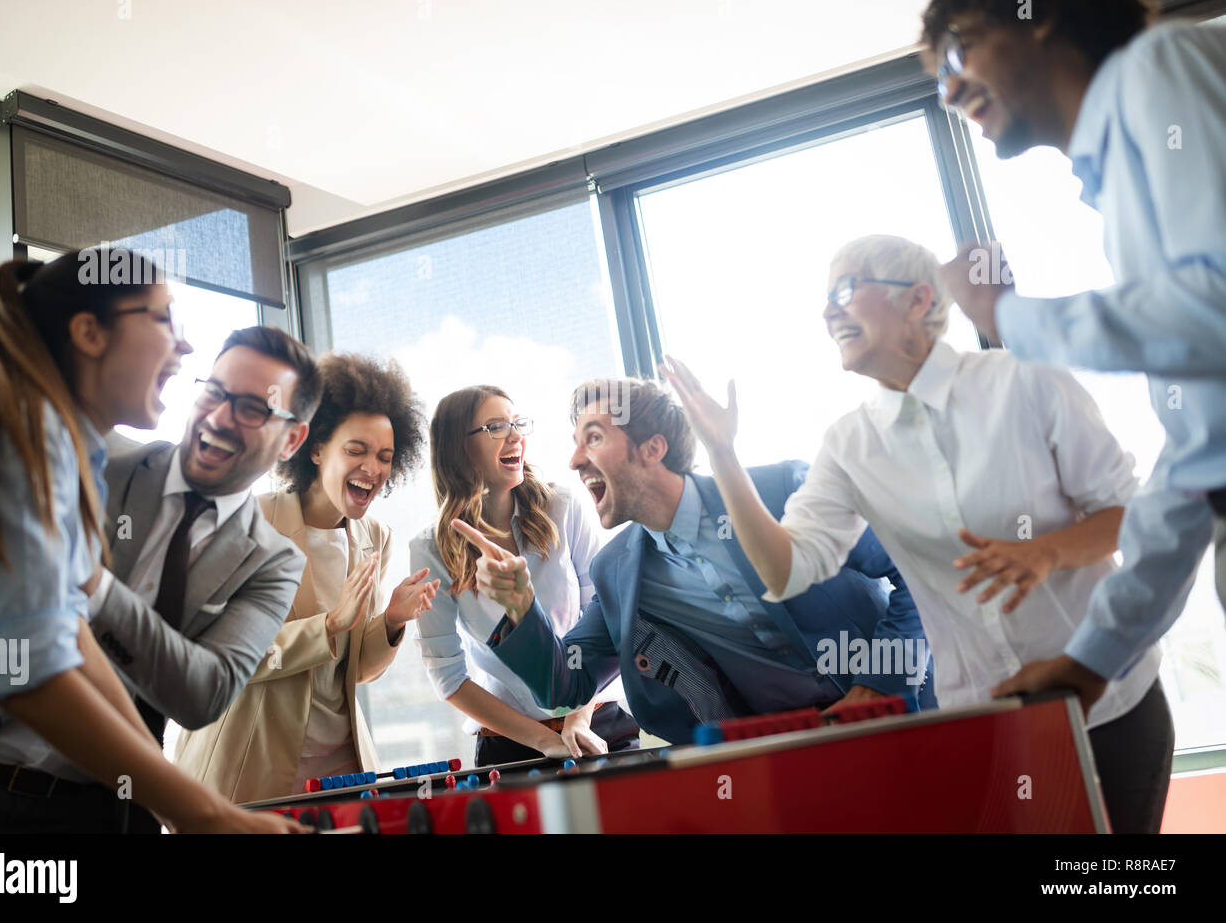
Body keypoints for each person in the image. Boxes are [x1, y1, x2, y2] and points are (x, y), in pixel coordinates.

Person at [661, 234, 1172, 832]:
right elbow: (785, 569)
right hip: (992, 728)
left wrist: (1044, 553)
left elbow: (1125, 512)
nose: (828, 312)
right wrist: (723, 454)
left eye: (845, 291)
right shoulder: (850, 443)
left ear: (917, 299)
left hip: (1112, 700)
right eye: (825, 300)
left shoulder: (1026, 381)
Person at [919, 0, 1226, 709]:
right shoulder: (1118, 182)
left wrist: (1010, 317)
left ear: (1040, 13)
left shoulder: (1155, 70)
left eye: (958, 56)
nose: (951, 93)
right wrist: (1092, 658)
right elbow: (1199, 461)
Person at [0, 248, 303, 833]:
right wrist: (203, 814)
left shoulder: (71, 447)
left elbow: (68, 631)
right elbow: (30, 668)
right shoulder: (30, 436)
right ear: (89, 334)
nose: (182, 348)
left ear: (291, 438)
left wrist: (181, 805)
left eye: (254, 408)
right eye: (163, 320)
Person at [454, 377, 931, 747]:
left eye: (593, 438)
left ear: (653, 448)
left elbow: (917, 567)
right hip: (792, 758)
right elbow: (565, 684)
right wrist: (521, 609)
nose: (575, 459)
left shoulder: (782, 490)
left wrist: (881, 682)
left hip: (911, 718)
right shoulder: (619, 572)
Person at [86, 325, 321, 830]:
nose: (219, 417)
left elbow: (203, 695)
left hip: (111, 805)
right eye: (214, 392)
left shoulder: (273, 562)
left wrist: (93, 587)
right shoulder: (98, 458)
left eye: (252, 409)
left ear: (292, 439)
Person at [174, 353, 439, 801]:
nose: (373, 468)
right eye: (356, 450)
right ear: (315, 448)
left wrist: (391, 621)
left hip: (341, 771)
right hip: (250, 768)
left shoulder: (375, 537)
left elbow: (354, 673)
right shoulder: (250, 522)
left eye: (385, 456)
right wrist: (329, 625)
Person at [411, 386, 637, 767]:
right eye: (496, 427)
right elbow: (447, 676)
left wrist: (576, 718)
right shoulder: (430, 549)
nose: (516, 436)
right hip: (509, 743)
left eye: (517, 424)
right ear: (456, 448)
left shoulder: (562, 507)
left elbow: (604, 616)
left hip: (597, 719)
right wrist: (543, 741)